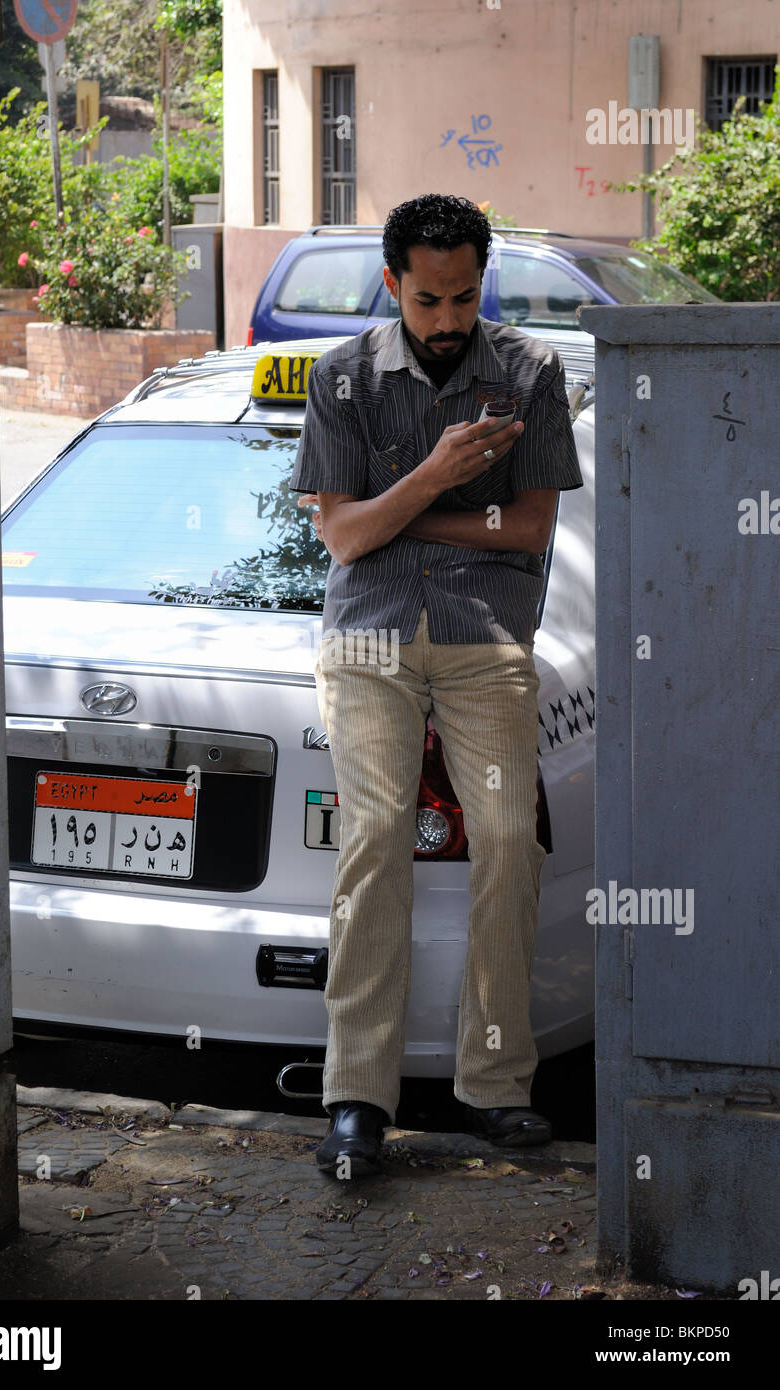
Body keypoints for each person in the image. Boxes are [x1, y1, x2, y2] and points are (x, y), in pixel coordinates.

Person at [288, 194, 583, 1177]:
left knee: (507, 836)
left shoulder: (531, 373)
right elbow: (342, 540)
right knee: (375, 835)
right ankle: (356, 1099)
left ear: (481, 280)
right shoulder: (342, 377)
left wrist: (391, 514)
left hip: (483, 635)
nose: (448, 319)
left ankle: (494, 1085)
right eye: (428, 300)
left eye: (463, 297)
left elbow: (528, 528)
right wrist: (439, 475)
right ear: (392, 285)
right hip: (370, 638)